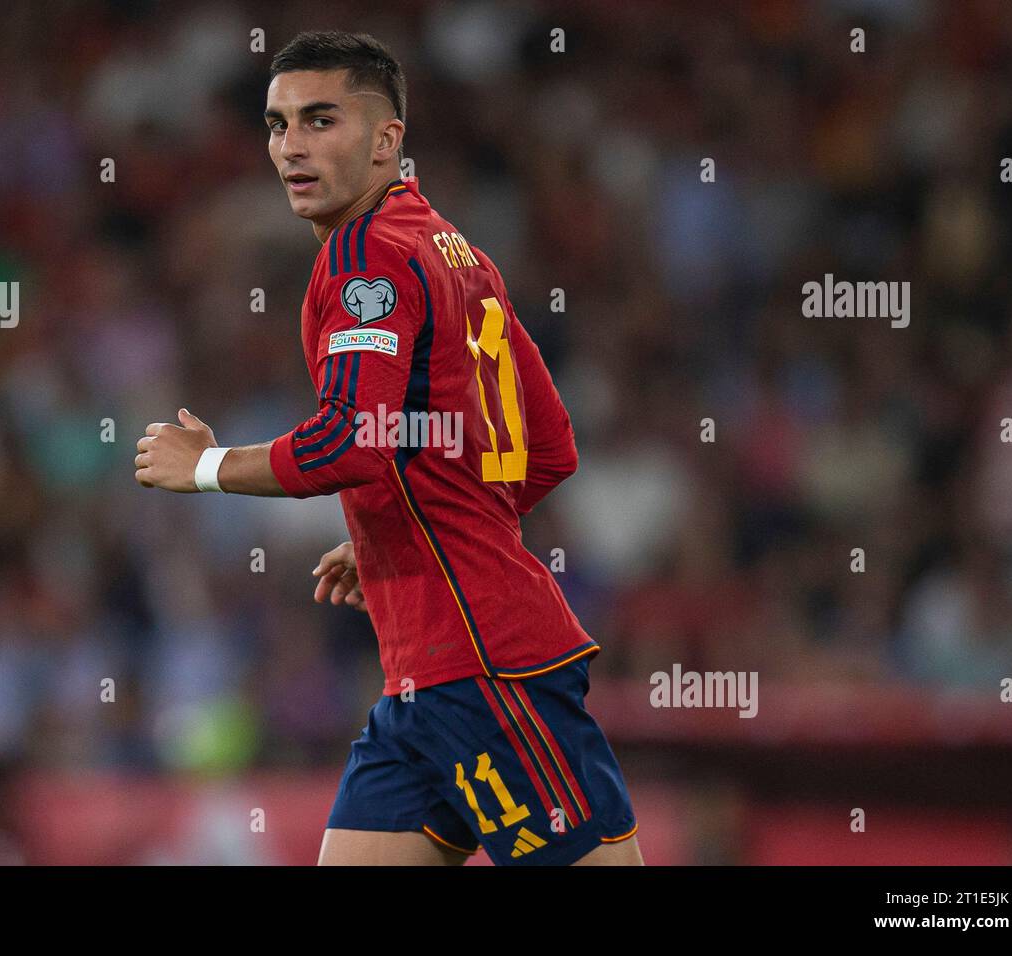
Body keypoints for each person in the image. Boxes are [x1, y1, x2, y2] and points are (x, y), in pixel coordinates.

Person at [134, 30, 642, 866]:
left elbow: (349, 443)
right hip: (427, 677)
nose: (291, 146)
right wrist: (400, 531)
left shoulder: (367, 253)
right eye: (276, 124)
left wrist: (206, 468)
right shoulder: (458, 253)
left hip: (486, 666)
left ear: (386, 139)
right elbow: (544, 449)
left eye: (321, 120)